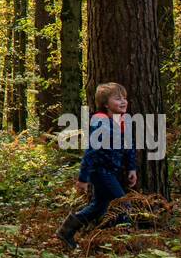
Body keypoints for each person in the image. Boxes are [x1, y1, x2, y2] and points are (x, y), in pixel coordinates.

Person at [56, 82, 136, 249]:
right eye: (117, 98)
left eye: (124, 98)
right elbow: (91, 150)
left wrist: (132, 168)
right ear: (106, 104)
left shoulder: (122, 121)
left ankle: (66, 231)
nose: (123, 102)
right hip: (99, 171)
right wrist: (83, 178)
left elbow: (129, 146)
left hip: (111, 171)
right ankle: (123, 243)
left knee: (99, 207)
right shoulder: (101, 121)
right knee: (123, 204)